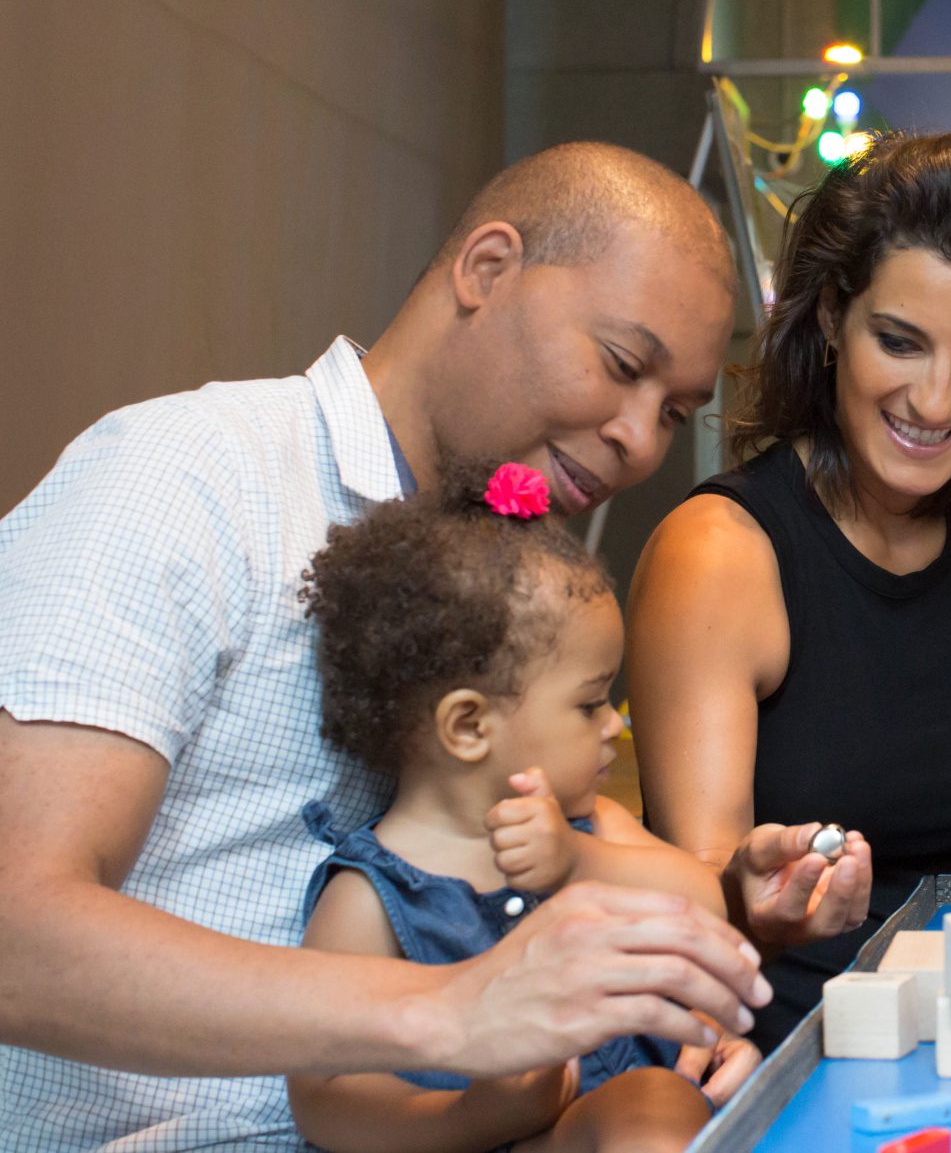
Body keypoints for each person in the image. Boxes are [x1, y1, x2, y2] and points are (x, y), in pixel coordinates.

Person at [0, 142, 855, 1148]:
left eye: (673, 414)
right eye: (623, 366)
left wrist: (664, 993)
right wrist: (456, 1010)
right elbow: (16, 931)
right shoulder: (190, 478)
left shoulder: (509, 569)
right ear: (485, 270)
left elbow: (554, 868)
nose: (641, 442)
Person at [625, 124, 951, 1048]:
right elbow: (703, 888)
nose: (933, 399)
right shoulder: (721, 554)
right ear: (835, 318)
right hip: (780, 1052)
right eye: (900, 340)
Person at [289, 461, 751, 1152]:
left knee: (653, 1101)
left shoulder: (590, 825)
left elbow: (704, 903)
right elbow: (324, 1098)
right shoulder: (369, 897)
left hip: (621, 1122)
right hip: (472, 1141)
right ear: (469, 726)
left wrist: (576, 862)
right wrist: (472, 1118)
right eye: (590, 702)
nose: (613, 726)